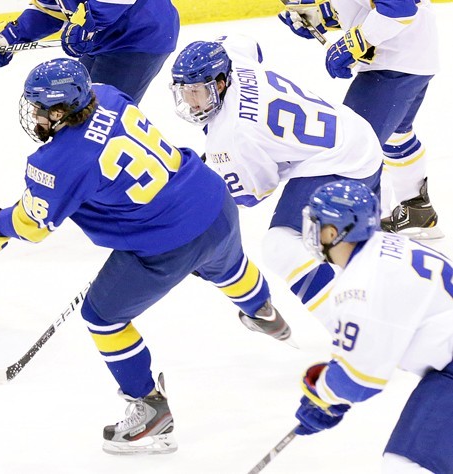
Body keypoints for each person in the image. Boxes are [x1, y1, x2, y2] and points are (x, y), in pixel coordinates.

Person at [0, 57, 291, 455]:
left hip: (166, 243)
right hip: (211, 201)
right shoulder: (108, 94)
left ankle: (151, 411)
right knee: (227, 265)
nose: (34, 114)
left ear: (60, 110)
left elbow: (33, 225)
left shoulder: (56, 162)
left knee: (102, 318)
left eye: (39, 107)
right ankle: (263, 311)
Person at [169, 36, 382, 316]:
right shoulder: (232, 58)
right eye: (184, 91)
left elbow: (252, 194)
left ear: (220, 83)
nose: (189, 100)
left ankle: (351, 322)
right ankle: (389, 299)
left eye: (197, 91)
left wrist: (209, 184)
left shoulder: (232, 136)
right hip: (355, 132)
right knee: (365, 255)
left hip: (343, 163)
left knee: (279, 245)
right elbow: (249, 45)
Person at [296, 179, 453, 473]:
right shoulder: (392, 244)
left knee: (406, 465)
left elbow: (360, 382)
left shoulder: (360, 285)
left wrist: (325, 395)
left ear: (333, 232)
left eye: (317, 224)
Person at [278, 0, 442, 239]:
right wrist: (322, 16)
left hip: (394, 63)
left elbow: (399, 8)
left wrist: (353, 42)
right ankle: (416, 208)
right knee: (397, 136)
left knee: (355, 146)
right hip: (410, 57)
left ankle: (362, 225)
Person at [0, 0, 179, 102]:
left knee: (102, 119)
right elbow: (51, 9)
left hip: (139, 38)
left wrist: (87, 24)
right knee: (77, 108)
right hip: (102, 40)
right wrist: (11, 36)